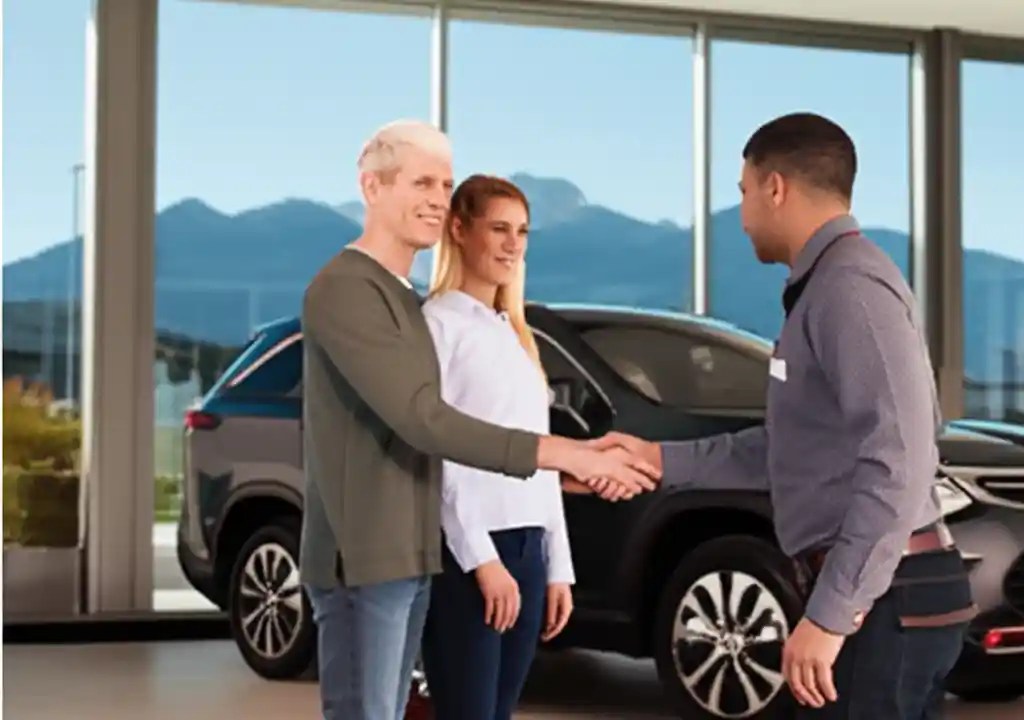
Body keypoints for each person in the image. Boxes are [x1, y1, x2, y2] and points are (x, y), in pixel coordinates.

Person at [589, 113, 976, 720]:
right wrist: (656, 457)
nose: (741, 213)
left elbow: (901, 457)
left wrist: (832, 613)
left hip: (883, 601)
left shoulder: (851, 288)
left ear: (776, 188)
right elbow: (789, 450)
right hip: (876, 593)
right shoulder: (826, 287)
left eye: (743, 192)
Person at [299, 120, 657, 720]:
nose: (438, 198)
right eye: (421, 182)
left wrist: (572, 478)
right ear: (372, 187)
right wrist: (565, 453)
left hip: (411, 554)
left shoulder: (406, 300)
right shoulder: (347, 291)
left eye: (444, 182)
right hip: (364, 556)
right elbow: (425, 421)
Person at [416, 175, 577, 719]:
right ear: (458, 230)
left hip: (528, 552)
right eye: (500, 229)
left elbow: (542, 454)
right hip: (471, 557)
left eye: (523, 231)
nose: (514, 243)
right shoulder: (437, 327)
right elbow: (440, 451)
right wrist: (483, 561)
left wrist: (559, 566)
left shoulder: (514, 334)